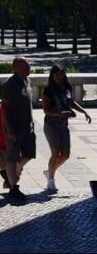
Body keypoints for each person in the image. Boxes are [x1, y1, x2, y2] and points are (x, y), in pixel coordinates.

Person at [41, 64, 92, 192]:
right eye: (57, 74)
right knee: (55, 152)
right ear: (52, 75)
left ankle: (49, 171)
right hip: (51, 125)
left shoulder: (66, 87)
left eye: (62, 73)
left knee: (65, 155)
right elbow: (46, 110)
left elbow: (70, 102)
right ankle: (51, 180)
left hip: (63, 125)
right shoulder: (48, 90)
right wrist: (60, 114)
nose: (60, 76)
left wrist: (84, 112)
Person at [0, 57, 35, 200]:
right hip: (14, 127)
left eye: (29, 65)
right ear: (17, 68)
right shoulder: (10, 84)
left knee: (30, 153)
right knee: (12, 157)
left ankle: (10, 174)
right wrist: (10, 129)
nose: (29, 68)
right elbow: (4, 107)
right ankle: (13, 187)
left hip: (28, 126)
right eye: (26, 66)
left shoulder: (26, 81)